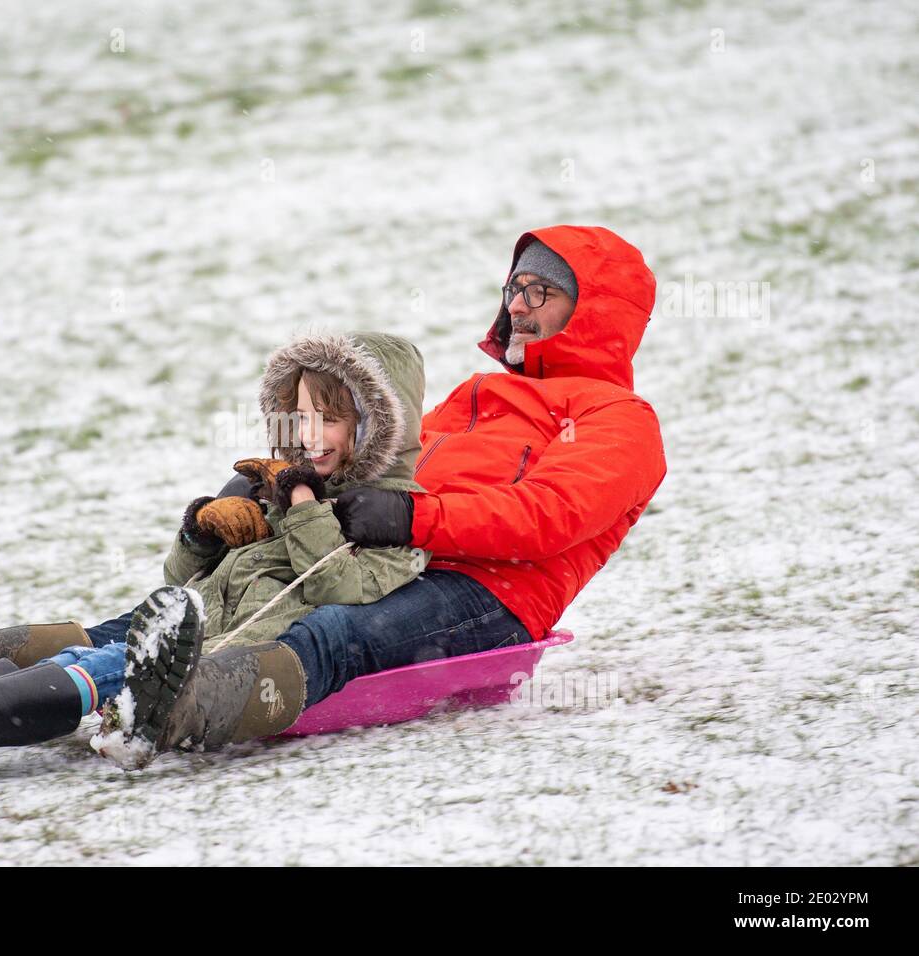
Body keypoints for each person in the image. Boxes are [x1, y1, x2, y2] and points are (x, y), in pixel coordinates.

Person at [100, 224, 667, 769]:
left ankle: (171, 713)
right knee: (221, 593)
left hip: (489, 591)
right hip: (394, 559)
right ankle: (48, 666)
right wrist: (287, 489)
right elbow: (380, 459)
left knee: (335, 632)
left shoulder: (618, 417)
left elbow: (548, 516)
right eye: (513, 288)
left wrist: (410, 517)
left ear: (596, 312)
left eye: (540, 291)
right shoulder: (477, 394)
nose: (517, 305)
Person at [0, 331, 430, 782]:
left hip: (220, 658)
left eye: (329, 418)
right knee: (86, 654)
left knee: (106, 666)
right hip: (191, 631)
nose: (308, 433)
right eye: (298, 416)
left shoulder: (391, 518)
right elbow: (175, 582)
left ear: (378, 425)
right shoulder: (291, 488)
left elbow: (339, 589)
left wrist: (300, 501)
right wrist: (204, 532)